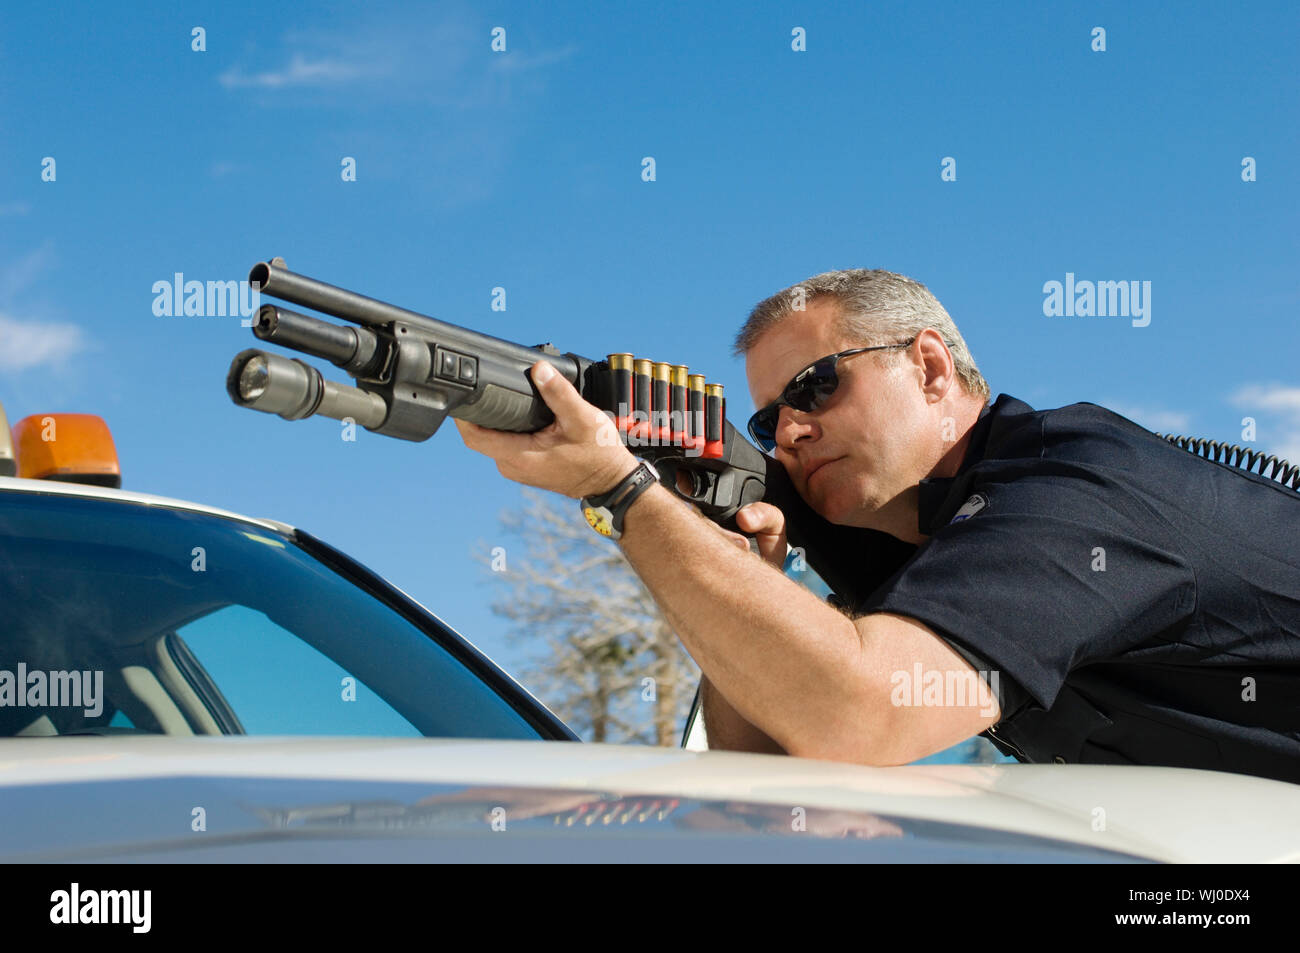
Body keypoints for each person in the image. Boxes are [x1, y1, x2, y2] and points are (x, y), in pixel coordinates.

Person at [455, 269, 1300, 785]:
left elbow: (860, 713)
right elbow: (761, 781)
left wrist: (620, 490)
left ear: (931, 367)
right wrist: (740, 572)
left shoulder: (1073, 488)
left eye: (815, 385)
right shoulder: (910, 540)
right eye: (765, 421)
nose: (787, 430)